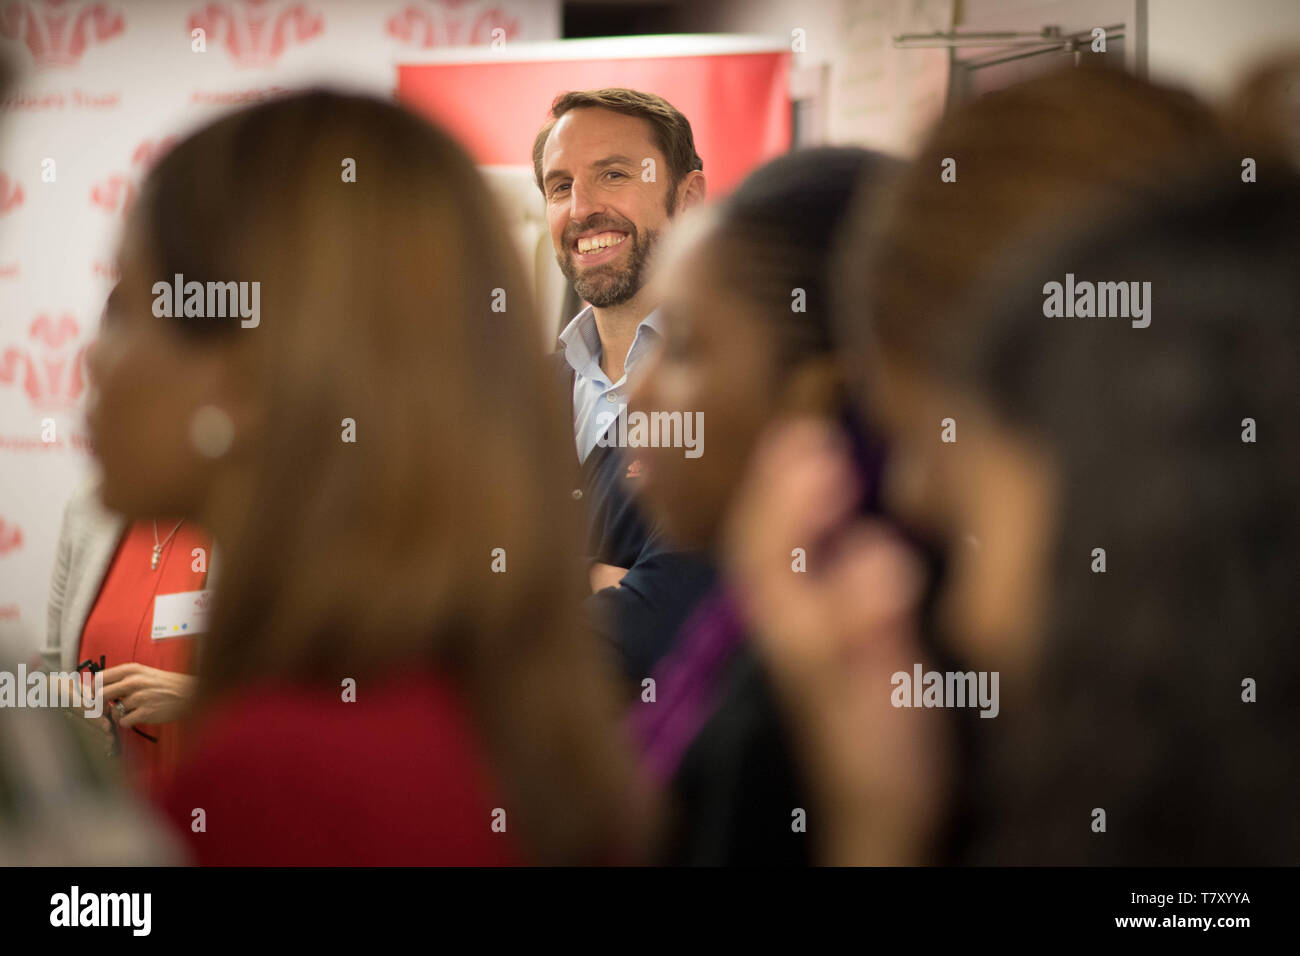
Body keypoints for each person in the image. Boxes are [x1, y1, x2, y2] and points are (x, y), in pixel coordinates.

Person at [87, 89, 643, 865]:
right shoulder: (460, 708)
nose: (92, 358)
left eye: (133, 308)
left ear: (245, 374)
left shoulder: (283, 779)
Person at [626, 147, 898, 864]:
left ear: (814, 401)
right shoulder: (743, 638)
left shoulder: (797, 713)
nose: (638, 394)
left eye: (682, 347)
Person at [533, 88, 716, 682]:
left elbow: (655, 625)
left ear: (687, 199)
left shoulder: (728, 397)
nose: (582, 209)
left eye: (613, 175)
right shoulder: (520, 392)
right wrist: (592, 575)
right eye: (560, 186)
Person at [44, 474, 209, 796]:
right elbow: (47, 671)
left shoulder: (256, 516)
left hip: (206, 807)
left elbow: (301, 701)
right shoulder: (91, 508)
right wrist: (66, 709)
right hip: (104, 813)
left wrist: (195, 698)